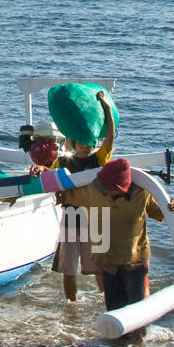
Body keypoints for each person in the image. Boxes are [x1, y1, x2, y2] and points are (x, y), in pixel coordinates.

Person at [54, 156, 174, 326]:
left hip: (135, 262)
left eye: (106, 188)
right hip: (108, 263)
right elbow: (62, 192)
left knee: (138, 314)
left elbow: (162, 213)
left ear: (121, 188)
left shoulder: (142, 194)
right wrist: (41, 173)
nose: (102, 190)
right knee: (114, 313)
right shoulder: (93, 192)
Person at [32, 90, 116, 301]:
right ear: (72, 143)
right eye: (81, 143)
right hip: (71, 217)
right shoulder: (65, 162)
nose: (85, 147)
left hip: (98, 218)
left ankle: (106, 301)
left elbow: (111, 137)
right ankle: (71, 306)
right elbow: (49, 172)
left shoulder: (100, 159)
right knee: (68, 269)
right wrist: (38, 169)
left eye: (89, 143)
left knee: (100, 267)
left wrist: (106, 108)